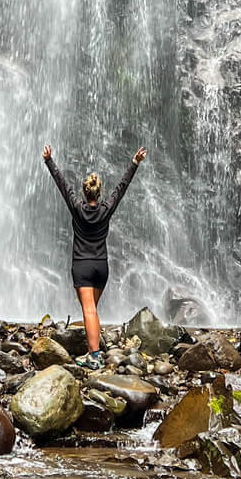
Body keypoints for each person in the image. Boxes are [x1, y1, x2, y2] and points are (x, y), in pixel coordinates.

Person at [42, 143, 146, 369]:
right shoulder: (106, 208)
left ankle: (95, 356)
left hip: (82, 265)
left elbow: (62, 185)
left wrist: (49, 161)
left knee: (88, 310)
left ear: (83, 192)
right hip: (101, 267)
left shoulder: (77, 208)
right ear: (99, 194)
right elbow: (121, 188)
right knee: (92, 310)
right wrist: (134, 163)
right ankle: (92, 350)